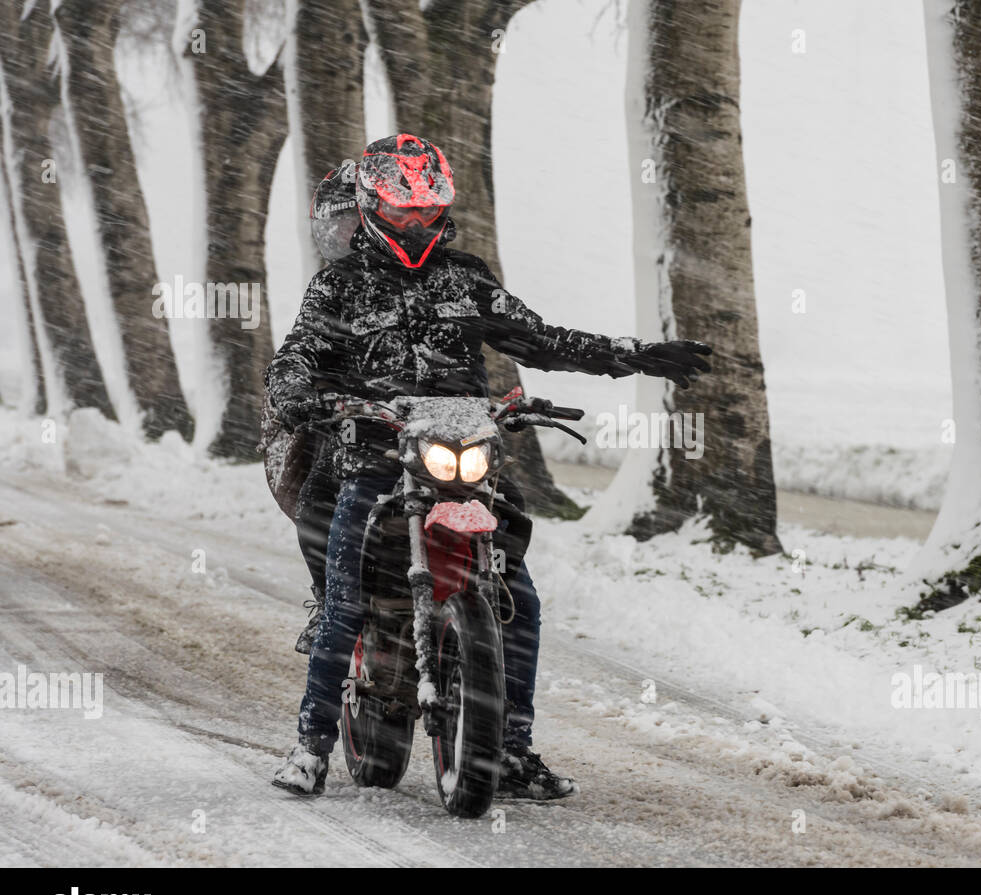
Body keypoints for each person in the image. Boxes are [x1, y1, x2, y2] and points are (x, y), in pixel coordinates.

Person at [266, 133, 710, 798]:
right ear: (369, 206)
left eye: (426, 211)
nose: (416, 224)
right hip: (375, 461)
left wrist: (637, 353)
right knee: (343, 602)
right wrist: (305, 392)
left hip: (464, 466)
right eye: (400, 212)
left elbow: (543, 339)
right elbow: (295, 358)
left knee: (519, 599)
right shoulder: (338, 287)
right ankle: (310, 747)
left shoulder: (466, 277)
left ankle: (511, 752)